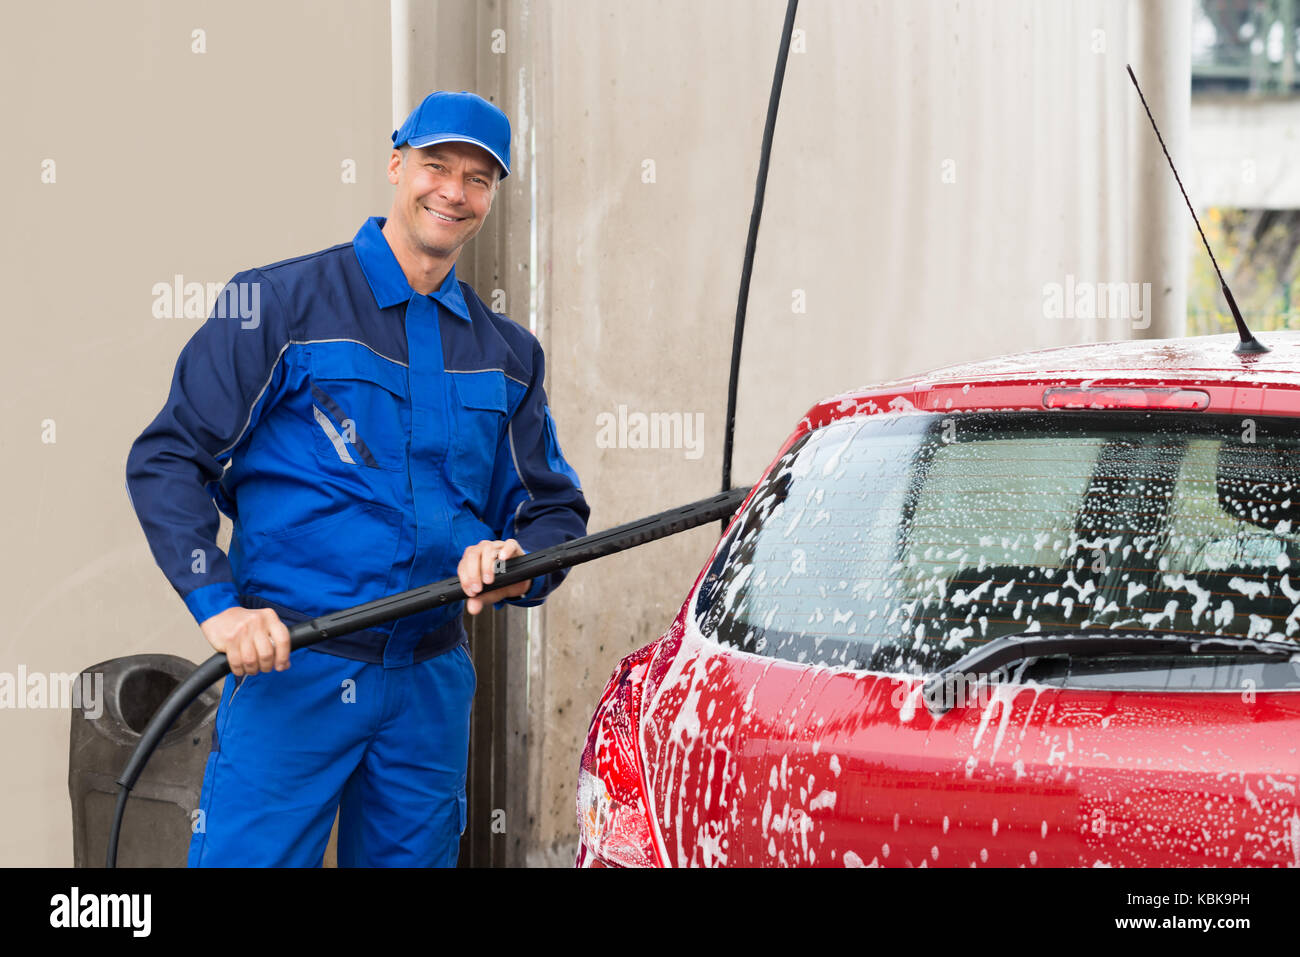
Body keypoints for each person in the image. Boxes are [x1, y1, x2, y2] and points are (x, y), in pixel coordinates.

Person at [125, 90, 590, 867]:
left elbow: (551, 511)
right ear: (395, 164)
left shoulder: (508, 352)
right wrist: (223, 612)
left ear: (491, 196)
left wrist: (516, 565)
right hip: (299, 669)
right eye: (436, 165)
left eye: (478, 179)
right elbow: (168, 457)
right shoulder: (277, 304)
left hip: (431, 685)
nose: (453, 190)